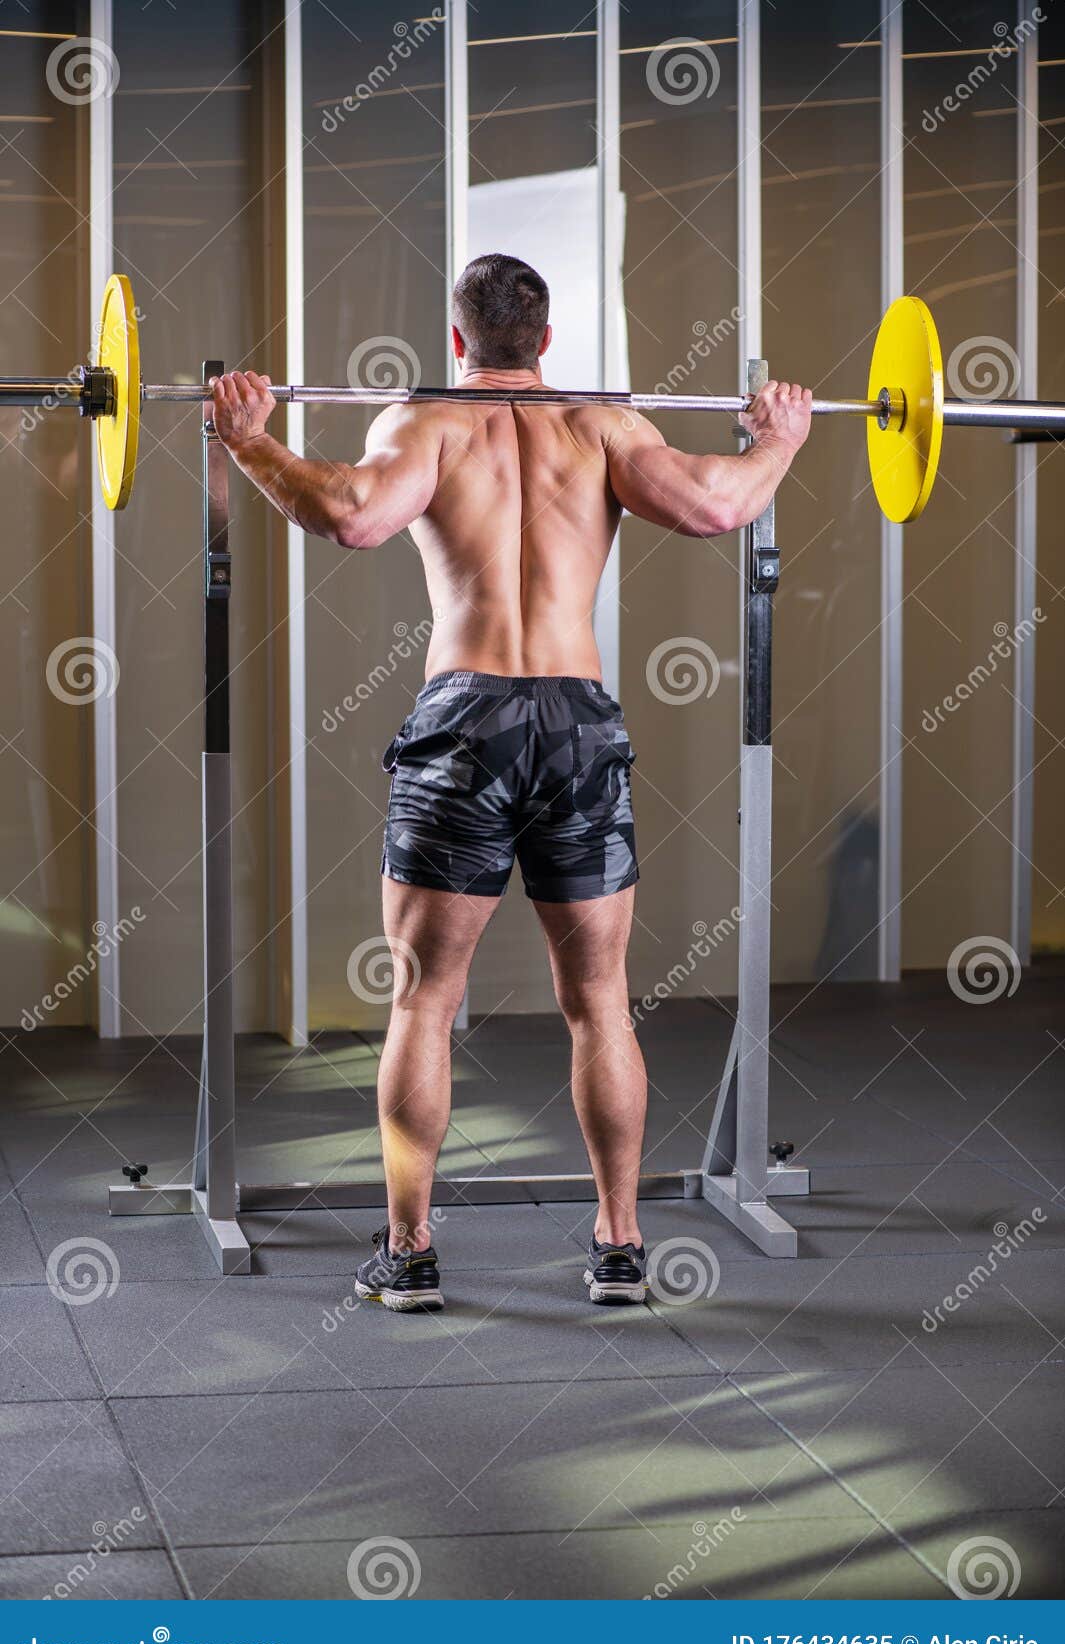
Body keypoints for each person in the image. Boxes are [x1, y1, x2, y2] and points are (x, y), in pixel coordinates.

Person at [209, 253, 812, 1311]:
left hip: (465, 720)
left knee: (424, 1001)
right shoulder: (603, 426)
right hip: (576, 724)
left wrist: (249, 439)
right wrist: (781, 441)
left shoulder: (426, 421)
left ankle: (409, 1252)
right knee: (598, 1002)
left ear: (457, 340)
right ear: (544, 340)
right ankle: (619, 1246)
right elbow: (718, 507)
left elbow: (350, 516)